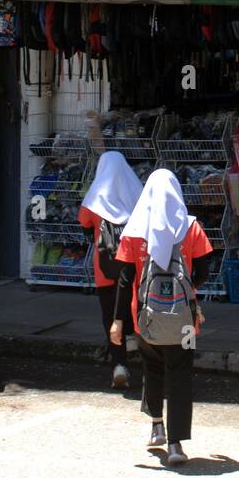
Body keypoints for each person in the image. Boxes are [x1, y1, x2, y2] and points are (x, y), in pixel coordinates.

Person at [110, 169, 213, 467]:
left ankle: (157, 426)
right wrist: (186, 294)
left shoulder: (134, 230)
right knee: (180, 375)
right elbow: (203, 273)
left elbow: (124, 279)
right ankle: (176, 444)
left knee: (152, 368)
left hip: (144, 318)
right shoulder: (192, 228)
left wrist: (118, 321)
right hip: (184, 321)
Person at [78, 150, 143, 389]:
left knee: (110, 316)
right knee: (134, 311)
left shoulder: (94, 199)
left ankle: (119, 364)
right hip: (133, 267)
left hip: (104, 269)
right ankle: (146, 359)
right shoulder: (137, 194)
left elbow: (84, 224)